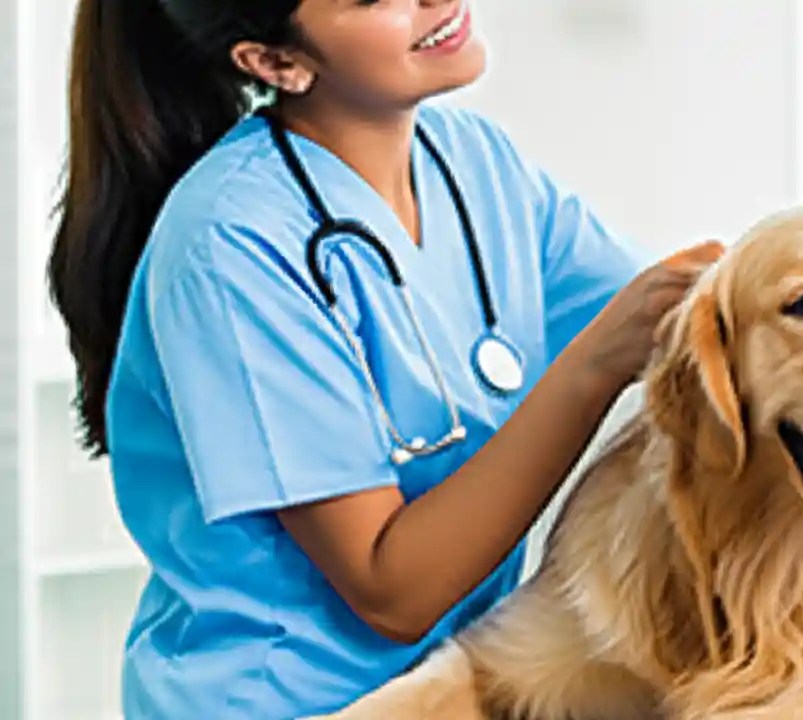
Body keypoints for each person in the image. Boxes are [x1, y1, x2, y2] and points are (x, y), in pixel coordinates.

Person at [46, 1, 721, 717]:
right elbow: (390, 590)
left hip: (448, 695)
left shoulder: (473, 165)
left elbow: (677, 326)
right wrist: (591, 369)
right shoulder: (230, 245)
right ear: (277, 63)